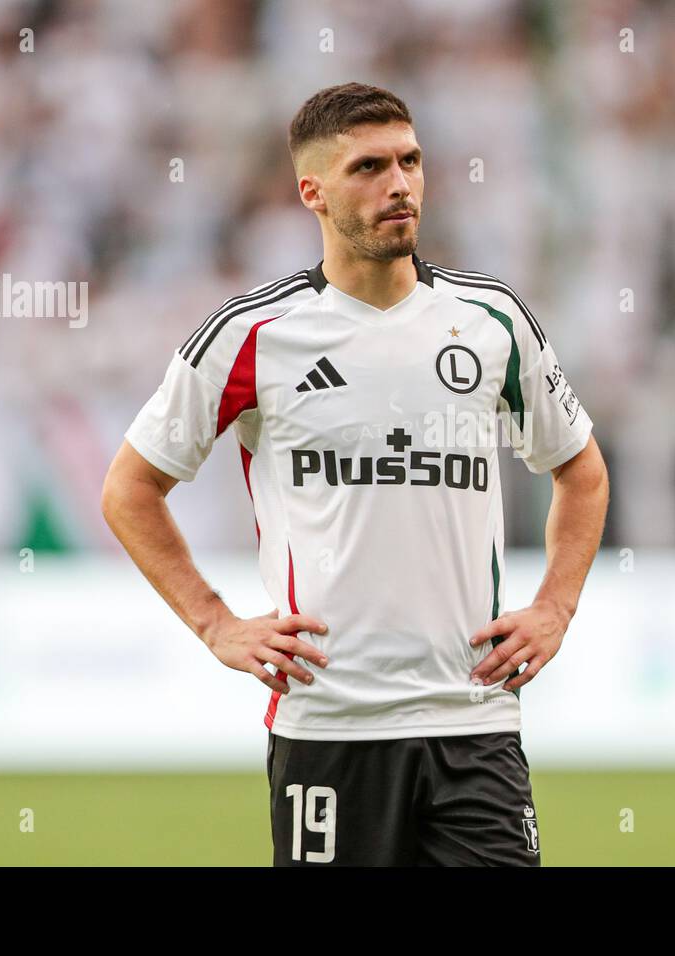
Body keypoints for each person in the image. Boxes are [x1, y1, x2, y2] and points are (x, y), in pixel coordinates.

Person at [101, 82, 609, 866]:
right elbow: (130, 489)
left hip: (472, 720)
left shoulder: (492, 322)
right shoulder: (253, 334)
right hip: (330, 727)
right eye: (369, 167)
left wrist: (557, 608)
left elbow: (581, 471)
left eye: (410, 161)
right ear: (313, 192)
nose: (400, 184)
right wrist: (216, 623)